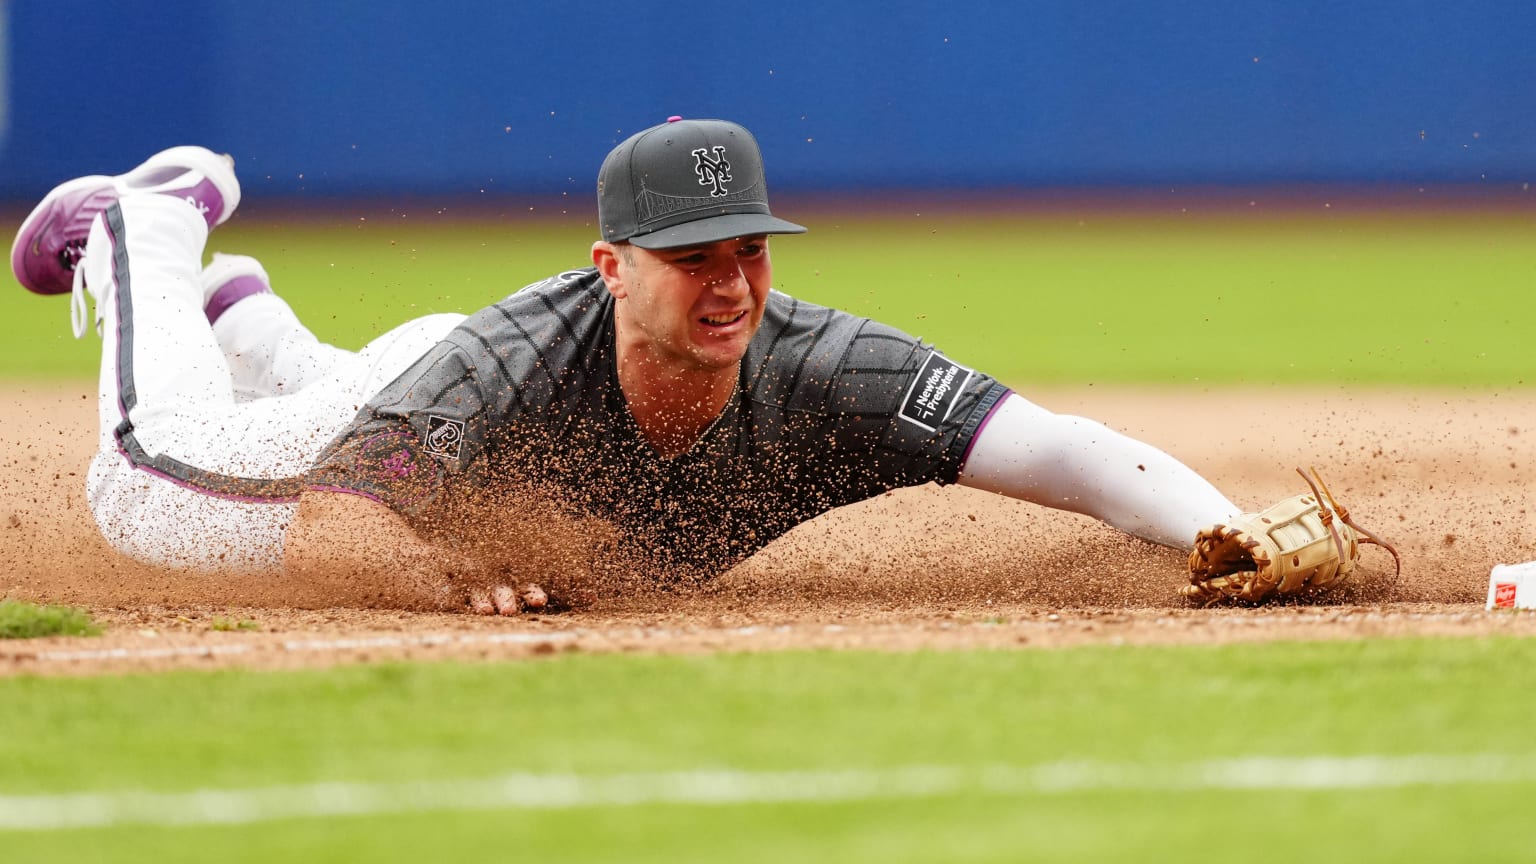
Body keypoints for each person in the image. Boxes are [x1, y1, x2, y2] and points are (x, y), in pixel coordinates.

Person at [12, 118, 1240, 615]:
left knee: (385, 400)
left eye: (751, 251)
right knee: (136, 477)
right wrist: (450, 580)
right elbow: (337, 528)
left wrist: (1231, 531)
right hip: (421, 397)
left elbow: (1061, 448)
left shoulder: (818, 362)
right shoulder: (511, 363)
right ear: (610, 265)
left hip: (429, 389)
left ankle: (254, 328)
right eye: (692, 257)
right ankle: (152, 231)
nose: (733, 287)